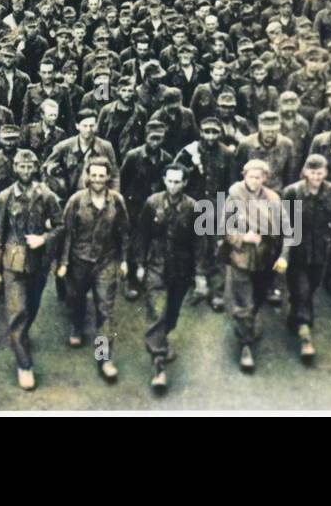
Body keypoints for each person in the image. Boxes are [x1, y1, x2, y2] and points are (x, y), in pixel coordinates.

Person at [0, 148, 62, 391]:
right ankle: (24, 364)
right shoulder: (4, 197)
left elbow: (60, 226)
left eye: (29, 166)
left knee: (31, 308)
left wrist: (44, 239)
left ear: (36, 168)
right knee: (17, 312)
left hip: (38, 263)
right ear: (14, 168)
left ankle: (21, 334)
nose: (25, 170)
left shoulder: (46, 195)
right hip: (12, 262)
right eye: (21, 166)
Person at [58, 156, 129, 382]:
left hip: (105, 261)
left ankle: (104, 358)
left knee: (104, 310)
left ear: (108, 177)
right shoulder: (76, 201)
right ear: (87, 176)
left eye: (102, 175)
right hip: (79, 260)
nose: (98, 179)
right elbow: (66, 233)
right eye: (94, 175)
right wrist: (63, 263)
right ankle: (77, 325)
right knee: (76, 298)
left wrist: (125, 260)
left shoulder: (116, 201)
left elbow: (124, 233)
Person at [136, 163, 202, 392]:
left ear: (185, 183)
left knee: (171, 313)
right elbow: (141, 235)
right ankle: (159, 364)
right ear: (164, 180)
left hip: (181, 270)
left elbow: (200, 243)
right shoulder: (152, 203)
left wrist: (200, 275)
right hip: (156, 264)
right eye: (169, 181)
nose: (173, 185)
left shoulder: (194, 207)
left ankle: (162, 337)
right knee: (158, 311)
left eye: (178, 182)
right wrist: (140, 265)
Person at [218, 158, 283, 373]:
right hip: (241, 257)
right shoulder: (234, 196)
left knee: (258, 298)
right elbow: (222, 227)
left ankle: (248, 324)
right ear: (244, 176)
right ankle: (246, 346)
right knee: (243, 300)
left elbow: (282, 228)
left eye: (259, 177)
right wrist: (242, 237)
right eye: (251, 176)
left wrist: (266, 234)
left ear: (265, 178)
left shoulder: (273, 198)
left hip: (264, 258)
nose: (255, 181)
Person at [277, 154, 331, 363]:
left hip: (321, 252)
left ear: (326, 173)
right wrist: (284, 255)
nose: (316, 177)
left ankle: (295, 316)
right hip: (298, 252)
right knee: (302, 290)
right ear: (304, 172)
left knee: (310, 289)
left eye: (320, 173)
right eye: (312, 172)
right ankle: (305, 337)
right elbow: (286, 226)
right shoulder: (292, 192)